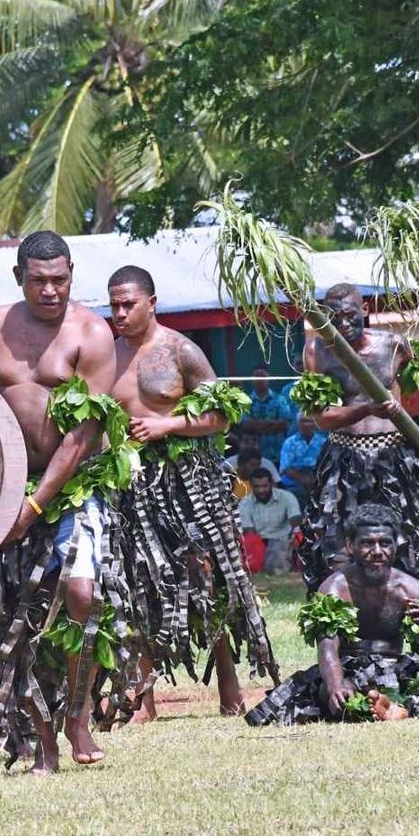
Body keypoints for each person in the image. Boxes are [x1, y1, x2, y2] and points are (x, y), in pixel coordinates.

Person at [0, 230, 123, 773]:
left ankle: (78, 712)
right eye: (38, 281)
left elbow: (85, 431)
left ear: (71, 275)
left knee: (81, 596)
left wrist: (35, 506)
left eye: (60, 279)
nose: (50, 291)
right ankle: (43, 740)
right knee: (17, 611)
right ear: (19, 278)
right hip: (6, 486)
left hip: (72, 486)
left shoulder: (93, 333)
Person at [108, 265, 276, 721]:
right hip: (132, 485)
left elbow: (222, 416)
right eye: (114, 305)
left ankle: (228, 683)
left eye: (129, 304)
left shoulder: (182, 350)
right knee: (137, 583)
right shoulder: (106, 355)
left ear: (152, 303)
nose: (119, 313)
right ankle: (143, 698)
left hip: (189, 480)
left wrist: (169, 424)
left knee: (208, 578)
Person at [299, 283, 419, 586]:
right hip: (342, 458)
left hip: (393, 456)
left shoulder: (395, 346)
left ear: (365, 311)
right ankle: (344, 616)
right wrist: (367, 408)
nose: (343, 324)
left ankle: (405, 613)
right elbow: (322, 419)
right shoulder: (316, 350)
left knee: (404, 542)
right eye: (334, 317)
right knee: (336, 544)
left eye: (350, 315)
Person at [246, 504, 419, 725]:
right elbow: (328, 647)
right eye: (368, 543)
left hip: (394, 670)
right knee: (338, 695)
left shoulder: (413, 590)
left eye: (385, 543)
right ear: (351, 546)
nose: (378, 551)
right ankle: (383, 706)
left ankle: (391, 706)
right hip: (347, 671)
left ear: (395, 546)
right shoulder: (335, 589)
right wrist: (335, 685)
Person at [238, 469, 302, 576]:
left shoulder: (287, 497)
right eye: (256, 487)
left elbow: (296, 521)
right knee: (247, 541)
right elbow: (249, 532)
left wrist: (292, 537)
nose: (261, 490)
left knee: (300, 535)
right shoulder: (245, 503)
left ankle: (296, 564)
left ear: (271, 484)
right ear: (251, 486)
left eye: (264, 486)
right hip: (259, 541)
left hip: (284, 539)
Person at [245, 365, 294, 463]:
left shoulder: (280, 400)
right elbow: (247, 424)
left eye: (263, 376)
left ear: (269, 378)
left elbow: (284, 423)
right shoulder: (246, 401)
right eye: (256, 377)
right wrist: (272, 423)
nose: (260, 380)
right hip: (254, 456)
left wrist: (258, 424)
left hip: (278, 453)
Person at [279, 416, 325, 507]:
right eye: (303, 421)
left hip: (317, 480)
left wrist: (314, 480)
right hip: (295, 482)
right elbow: (286, 467)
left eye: (310, 421)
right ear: (298, 423)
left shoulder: (323, 442)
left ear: (315, 424)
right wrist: (305, 480)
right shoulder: (289, 442)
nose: (306, 424)